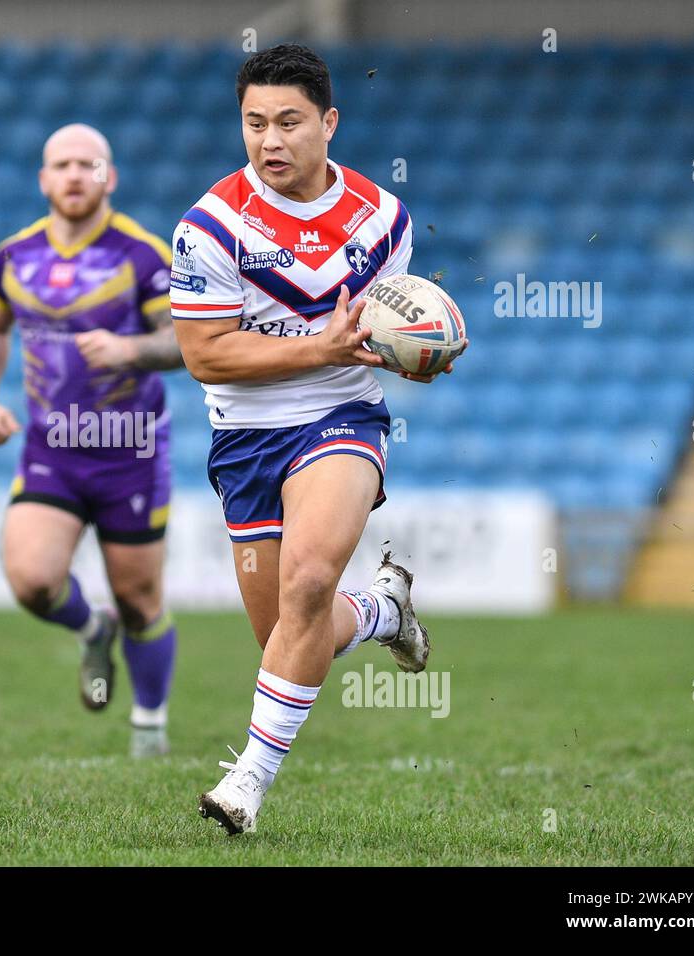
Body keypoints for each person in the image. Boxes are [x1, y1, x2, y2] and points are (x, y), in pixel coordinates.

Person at [169, 44, 467, 832]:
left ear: (329, 123)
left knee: (305, 585)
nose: (270, 140)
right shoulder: (210, 227)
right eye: (255, 123)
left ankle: (247, 784)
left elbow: (378, 332)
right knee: (291, 635)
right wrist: (321, 346)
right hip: (245, 439)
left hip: (341, 419)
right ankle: (380, 610)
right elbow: (206, 356)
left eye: (289, 122)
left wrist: (417, 357)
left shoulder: (383, 219)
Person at [0, 123, 185, 757]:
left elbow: (182, 342)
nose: (73, 175)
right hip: (52, 450)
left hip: (131, 452)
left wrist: (130, 349)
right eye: (61, 165)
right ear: (43, 179)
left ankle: (149, 730)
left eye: (87, 165)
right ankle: (92, 630)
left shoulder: (143, 256)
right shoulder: (14, 256)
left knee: (141, 598)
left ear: (108, 177)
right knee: (33, 580)